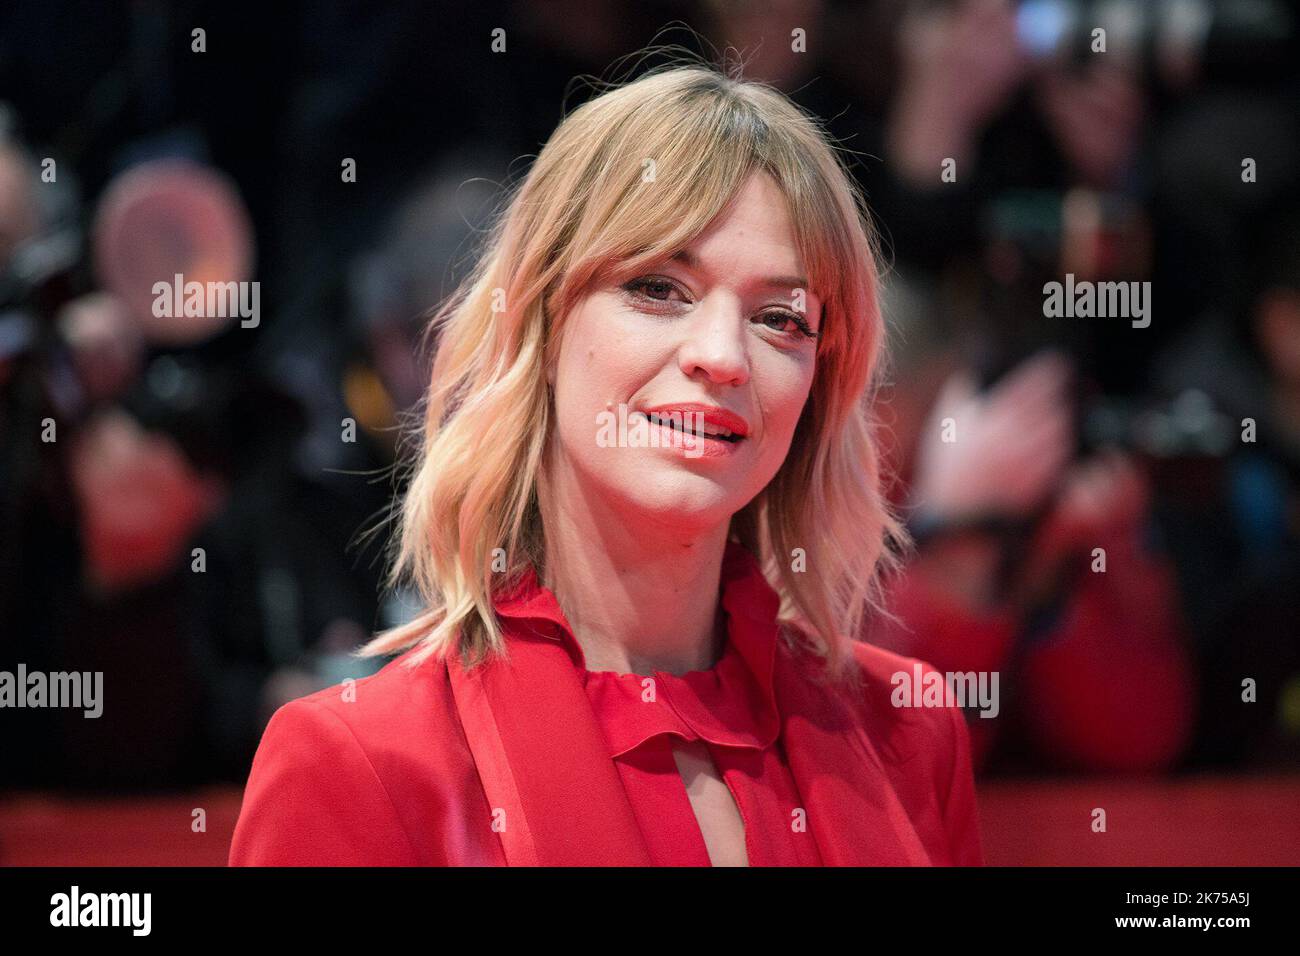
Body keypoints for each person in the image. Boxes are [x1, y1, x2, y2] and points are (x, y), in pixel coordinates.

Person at [228, 61, 983, 867]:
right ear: (539, 326)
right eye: (659, 288)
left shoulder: (911, 729)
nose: (723, 356)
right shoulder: (358, 764)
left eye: (779, 318)